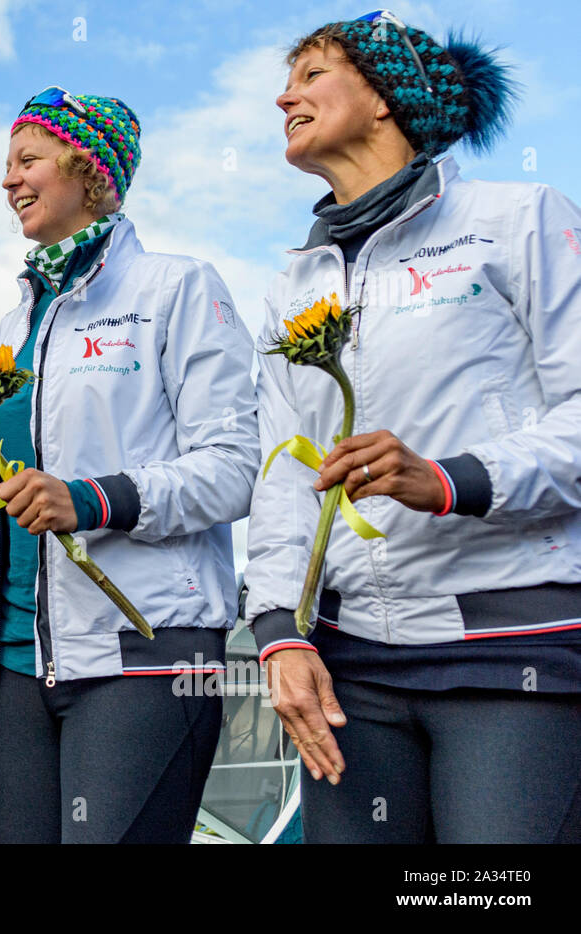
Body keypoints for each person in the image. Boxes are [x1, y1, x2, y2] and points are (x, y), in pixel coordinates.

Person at [246, 11, 581, 843]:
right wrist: (278, 634)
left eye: (313, 73)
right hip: (349, 664)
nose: (284, 95)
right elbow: (283, 478)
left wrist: (448, 478)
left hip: (513, 649)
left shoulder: (521, 217)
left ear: (389, 97)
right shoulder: (293, 286)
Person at [0, 88, 260, 843]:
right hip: (14, 667)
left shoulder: (178, 288)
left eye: (28, 160)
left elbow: (237, 467)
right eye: (6, 164)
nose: (8, 180)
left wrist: (92, 499)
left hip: (145, 656)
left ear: (88, 171)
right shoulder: (15, 322)